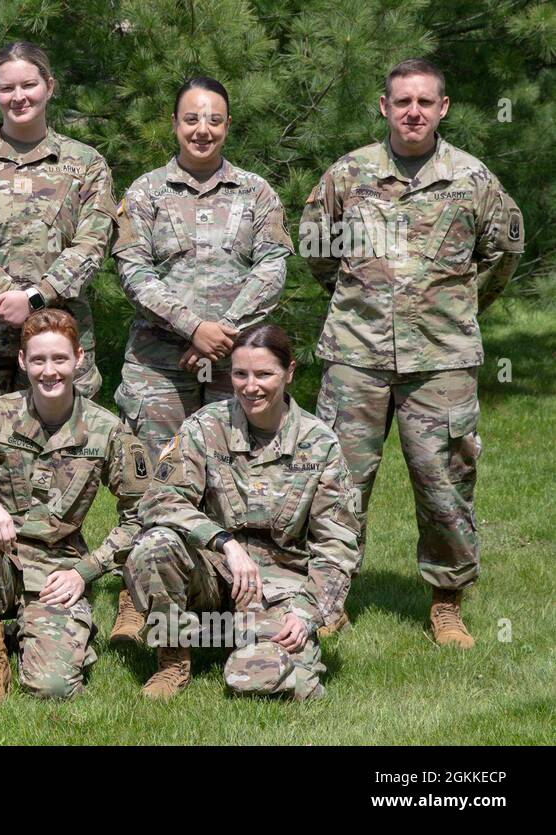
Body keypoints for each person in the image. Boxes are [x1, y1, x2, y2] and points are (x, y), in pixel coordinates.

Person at [299, 58, 524, 646]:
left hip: (442, 360)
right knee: (338, 482)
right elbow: (317, 247)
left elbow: (503, 253)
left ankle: (446, 601)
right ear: (384, 107)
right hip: (356, 355)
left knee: (445, 481)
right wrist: (361, 298)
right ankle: (329, 594)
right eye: (403, 102)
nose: (414, 112)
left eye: (425, 102)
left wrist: (458, 307)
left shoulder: (473, 180)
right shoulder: (347, 176)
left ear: (442, 108)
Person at [110, 76, 293, 645]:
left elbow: (273, 267)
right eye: (191, 118)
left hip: (234, 368)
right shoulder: (145, 194)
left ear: (227, 125)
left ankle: (224, 588)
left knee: (229, 476)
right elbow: (132, 271)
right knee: (149, 478)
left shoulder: (257, 193)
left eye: (213, 119)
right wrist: (193, 327)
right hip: (159, 365)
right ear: (175, 124)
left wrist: (225, 337)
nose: (202, 129)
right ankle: (132, 597)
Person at [125, 325, 360, 701]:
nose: (250, 387)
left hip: (278, 586)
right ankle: (172, 659)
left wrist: (306, 613)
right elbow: (160, 499)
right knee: (155, 545)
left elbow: (338, 545)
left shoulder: (319, 445)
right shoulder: (206, 426)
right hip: (214, 571)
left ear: (290, 372)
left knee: (253, 680)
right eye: (240, 374)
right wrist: (223, 542)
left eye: (264, 374)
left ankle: (252, 644)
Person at [0, 309, 150, 703]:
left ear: (78, 358)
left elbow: (140, 513)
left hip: (57, 570)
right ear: (23, 362)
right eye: (38, 360)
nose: (49, 370)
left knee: (52, 688)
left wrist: (86, 572)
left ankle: (14, 627)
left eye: (59, 358)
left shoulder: (107, 430)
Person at [0, 41, 118, 447]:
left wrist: (36, 297)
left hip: (59, 341)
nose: (18, 97)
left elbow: (92, 244)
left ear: (50, 85)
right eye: (6, 88)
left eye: (29, 85)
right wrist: (4, 291)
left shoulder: (86, 164)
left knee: (54, 464)